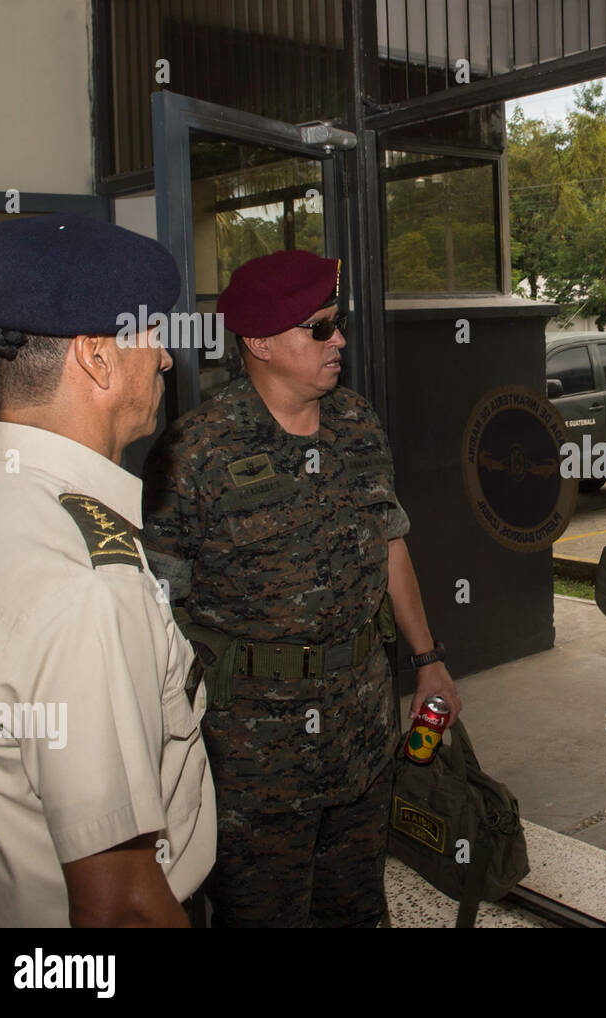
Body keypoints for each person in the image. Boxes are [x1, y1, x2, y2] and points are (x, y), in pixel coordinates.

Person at [142, 249, 460, 928]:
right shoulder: (194, 452)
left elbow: (390, 542)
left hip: (362, 736)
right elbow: (154, 613)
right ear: (258, 341)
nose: (338, 339)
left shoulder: (358, 425)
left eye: (335, 323)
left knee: (358, 911)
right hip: (252, 760)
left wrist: (429, 659)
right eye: (319, 328)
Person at [0, 214, 216, 927]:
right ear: (98, 361)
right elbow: (120, 908)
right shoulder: (84, 581)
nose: (166, 359)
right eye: (150, 336)